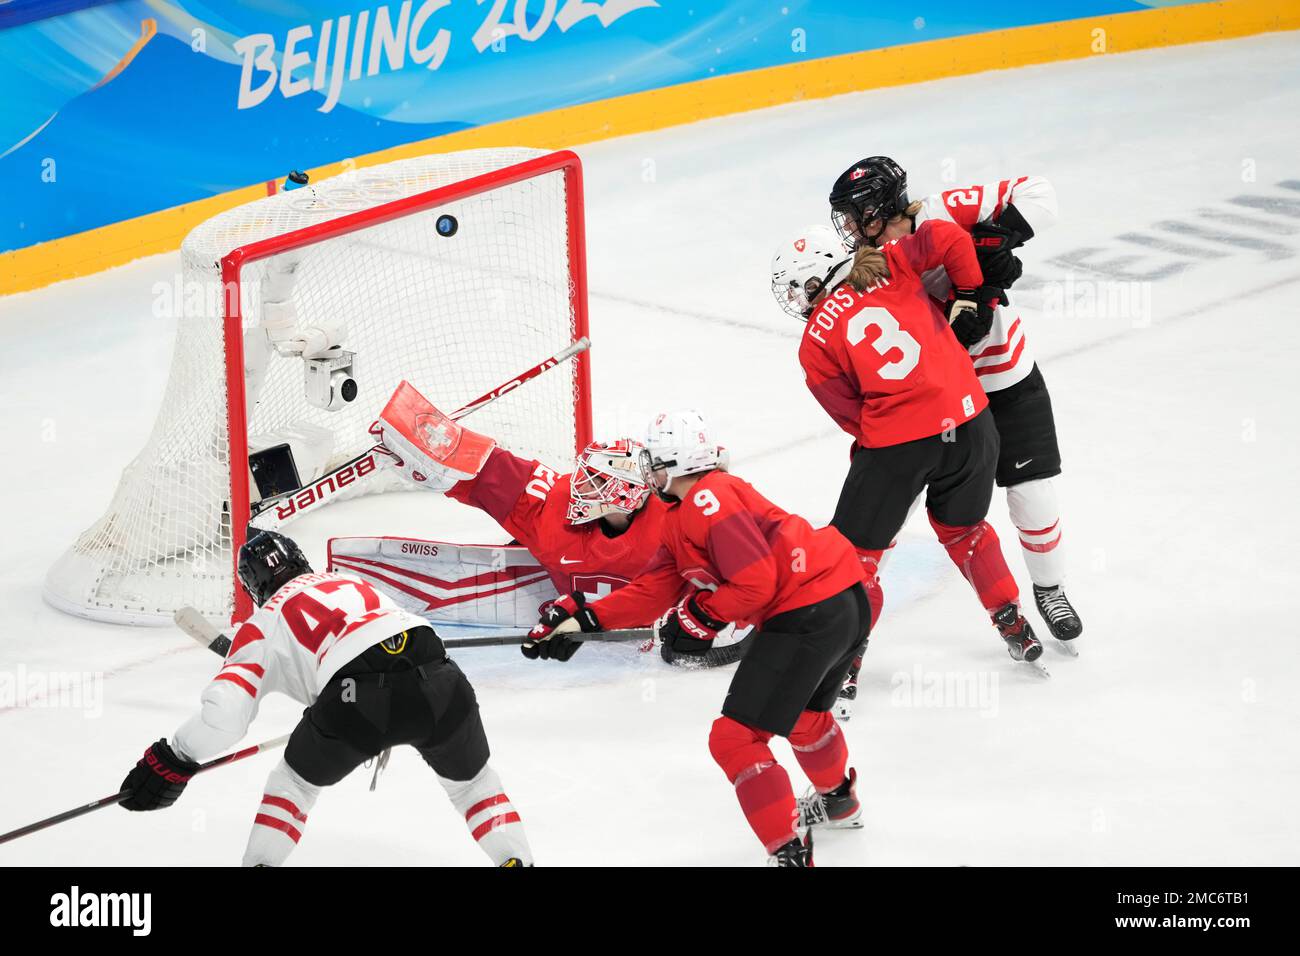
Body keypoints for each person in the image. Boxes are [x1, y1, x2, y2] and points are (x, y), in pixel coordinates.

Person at [525, 410, 870, 865]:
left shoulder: (710, 499)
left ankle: (789, 853)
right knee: (806, 714)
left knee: (735, 739)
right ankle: (838, 801)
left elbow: (754, 584)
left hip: (805, 613)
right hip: (843, 601)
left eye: (653, 459)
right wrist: (583, 619)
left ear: (673, 462)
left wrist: (698, 618)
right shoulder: (685, 513)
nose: (649, 470)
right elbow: (656, 589)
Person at [118, 530, 533, 867]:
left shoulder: (262, 622)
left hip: (356, 704)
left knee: (293, 785)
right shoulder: (350, 582)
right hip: (440, 679)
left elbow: (225, 716)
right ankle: (517, 862)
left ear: (252, 585)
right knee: (474, 787)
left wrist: (174, 757)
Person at [827, 156, 1082, 647]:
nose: (850, 227)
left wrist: (997, 239)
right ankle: (851, 626)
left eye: (855, 213)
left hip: (1005, 376)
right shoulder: (862, 267)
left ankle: (1050, 589)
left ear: (881, 207)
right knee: (884, 516)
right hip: (935, 403)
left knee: (1032, 493)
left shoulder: (945, 212)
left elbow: (1040, 191)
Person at [773, 217, 1042, 670]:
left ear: (815, 277)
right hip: (973, 422)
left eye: (796, 288)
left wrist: (890, 447)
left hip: (900, 445)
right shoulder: (891, 262)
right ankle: (1011, 619)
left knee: (855, 556)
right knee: (966, 532)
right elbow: (948, 236)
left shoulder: (814, 341)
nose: (797, 299)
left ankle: (846, 661)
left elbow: (850, 414)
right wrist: (973, 294)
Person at [369, 381, 670, 661]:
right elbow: (490, 476)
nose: (579, 484)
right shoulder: (553, 508)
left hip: (621, 643)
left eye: (594, 482)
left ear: (620, 497)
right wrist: (450, 465)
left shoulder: (672, 529)